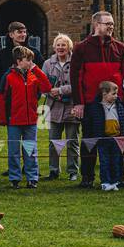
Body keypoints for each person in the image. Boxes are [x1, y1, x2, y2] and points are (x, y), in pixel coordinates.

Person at [70, 11, 124, 188]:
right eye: (107, 23)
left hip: (117, 102)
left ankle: (119, 176)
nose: (111, 26)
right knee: (90, 140)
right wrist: (79, 103)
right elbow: (76, 77)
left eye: (112, 23)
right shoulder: (81, 48)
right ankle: (87, 177)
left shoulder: (120, 48)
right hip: (92, 104)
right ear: (96, 25)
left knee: (119, 139)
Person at [0, 46, 50, 190]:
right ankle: (15, 178)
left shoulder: (34, 76)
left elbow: (46, 87)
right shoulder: (8, 77)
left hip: (30, 121)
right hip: (14, 121)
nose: (31, 62)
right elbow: (2, 98)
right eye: (28, 60)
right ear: (19, 61)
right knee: (14, 151)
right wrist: (4, 119)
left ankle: (32, 178)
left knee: (30, 151)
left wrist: (37, 70)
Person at [42, 34, 80, 181]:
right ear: (54, 47)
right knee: (53, 141)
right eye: (58, 45)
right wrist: (52, 93)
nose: (60, 48)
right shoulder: (47, 64)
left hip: (72, 106)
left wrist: (60, 90)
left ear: (69, 47)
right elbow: (42, 83)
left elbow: (78, 84)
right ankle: (53, 170)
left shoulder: (76, 62)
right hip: (53, 106)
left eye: (63, 45)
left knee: (72, 141)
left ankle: (73, 171)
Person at [0, 22, 43, 127]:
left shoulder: (34, 53)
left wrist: (36, 93)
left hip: (30, 98)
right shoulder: (2, 55)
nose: (23, 34)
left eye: (24, 32)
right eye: (19, 32)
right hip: (11, 101)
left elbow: (41, 73)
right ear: (11, 34)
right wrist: (3, 94)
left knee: (30, 135)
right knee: (13, 136)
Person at [84, 81, 124, 191]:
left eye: (116, 94)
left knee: (116, 161)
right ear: (104, 94)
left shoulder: (119, 106)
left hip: (117, 139)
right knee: (104, 161)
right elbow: (91, 122)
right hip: (103, 139)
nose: (116, 96)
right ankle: (105, 182)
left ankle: (115, 181)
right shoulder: (96, 107)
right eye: (113, 94)